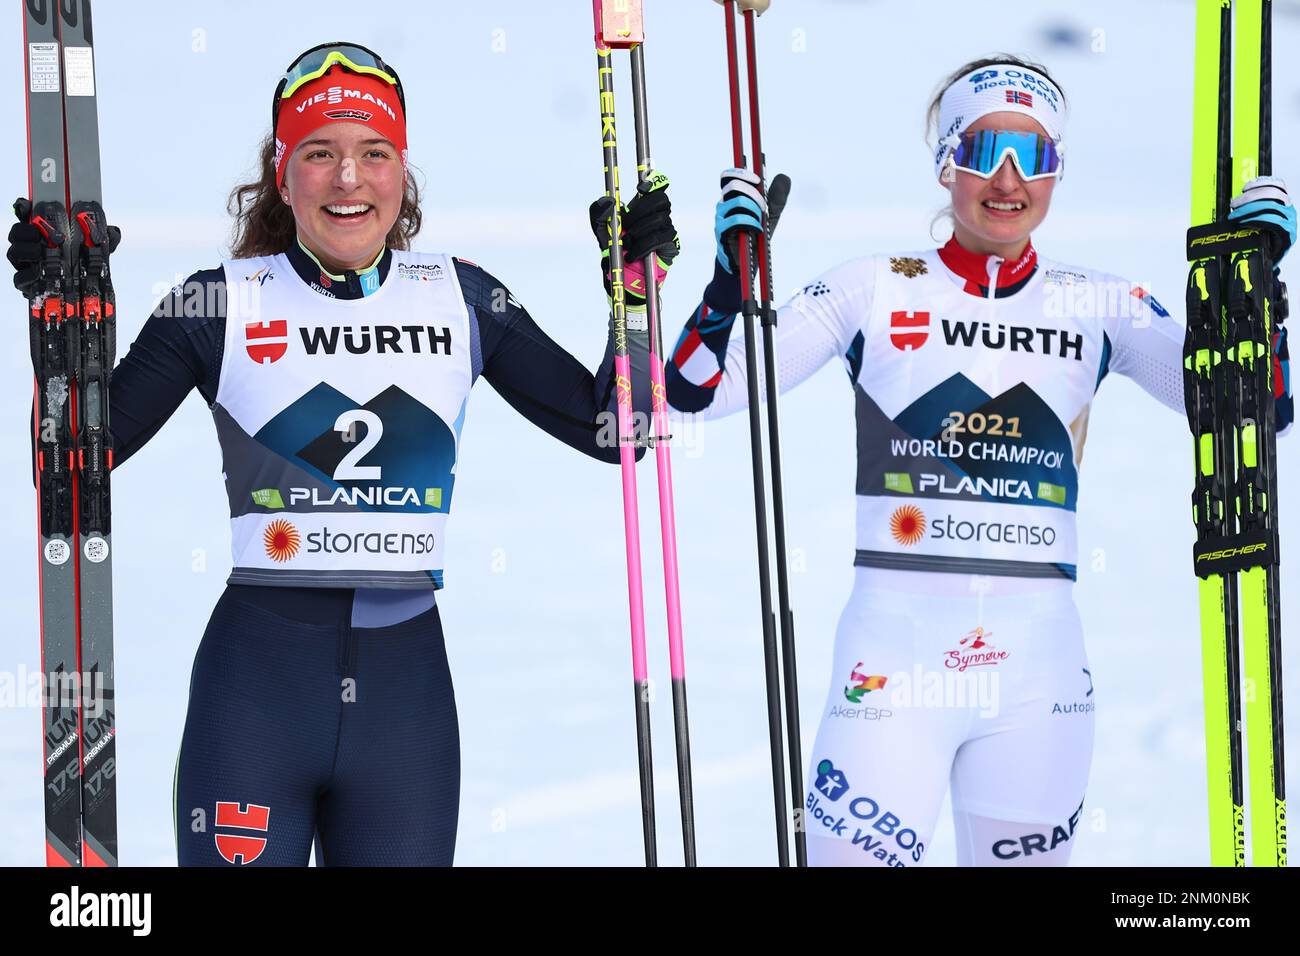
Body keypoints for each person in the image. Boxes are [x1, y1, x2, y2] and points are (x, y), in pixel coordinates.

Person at [9, 42, 680, 866]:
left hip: (406, 712)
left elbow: (623, 431)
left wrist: (636, 298)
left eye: (374, 153)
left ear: (403, 171)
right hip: (254, 697)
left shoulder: (463, 297)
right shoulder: (214, 302)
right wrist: (63, 317)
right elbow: (74, 472)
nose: (349, 178)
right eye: (320, 153)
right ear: (282, 175)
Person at [666, 54, 1294, 867]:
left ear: (1056, 171)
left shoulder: (1100, 304)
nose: (1007, 180)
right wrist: (727, 288)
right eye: (982, 151)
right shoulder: (872, 290)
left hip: (1039, 683)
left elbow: (1253, 413)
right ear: (944, 163)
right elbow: (695, 394)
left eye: (1033, 157)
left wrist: (1255, 296)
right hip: (890, 673)